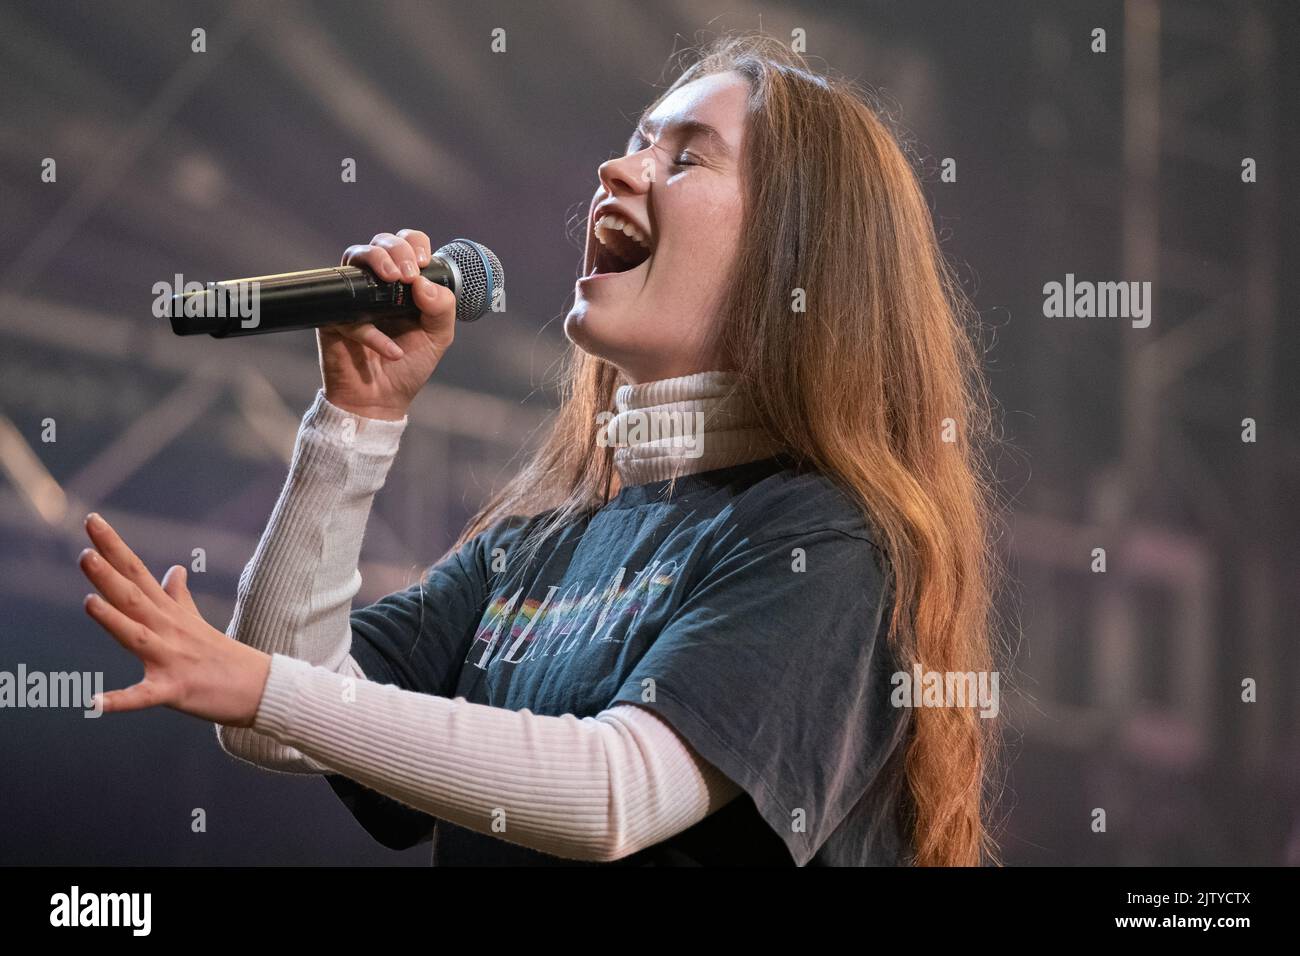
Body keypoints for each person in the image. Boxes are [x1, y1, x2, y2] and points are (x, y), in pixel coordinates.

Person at [77, 34, 1003, 866]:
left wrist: (262, 686)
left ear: (797, 254)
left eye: (685, 157)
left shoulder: (822, 541)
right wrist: (352, 422)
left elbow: (614, 794)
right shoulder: (534, 547)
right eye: (639, 140)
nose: (618, 168)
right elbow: (281, 725)